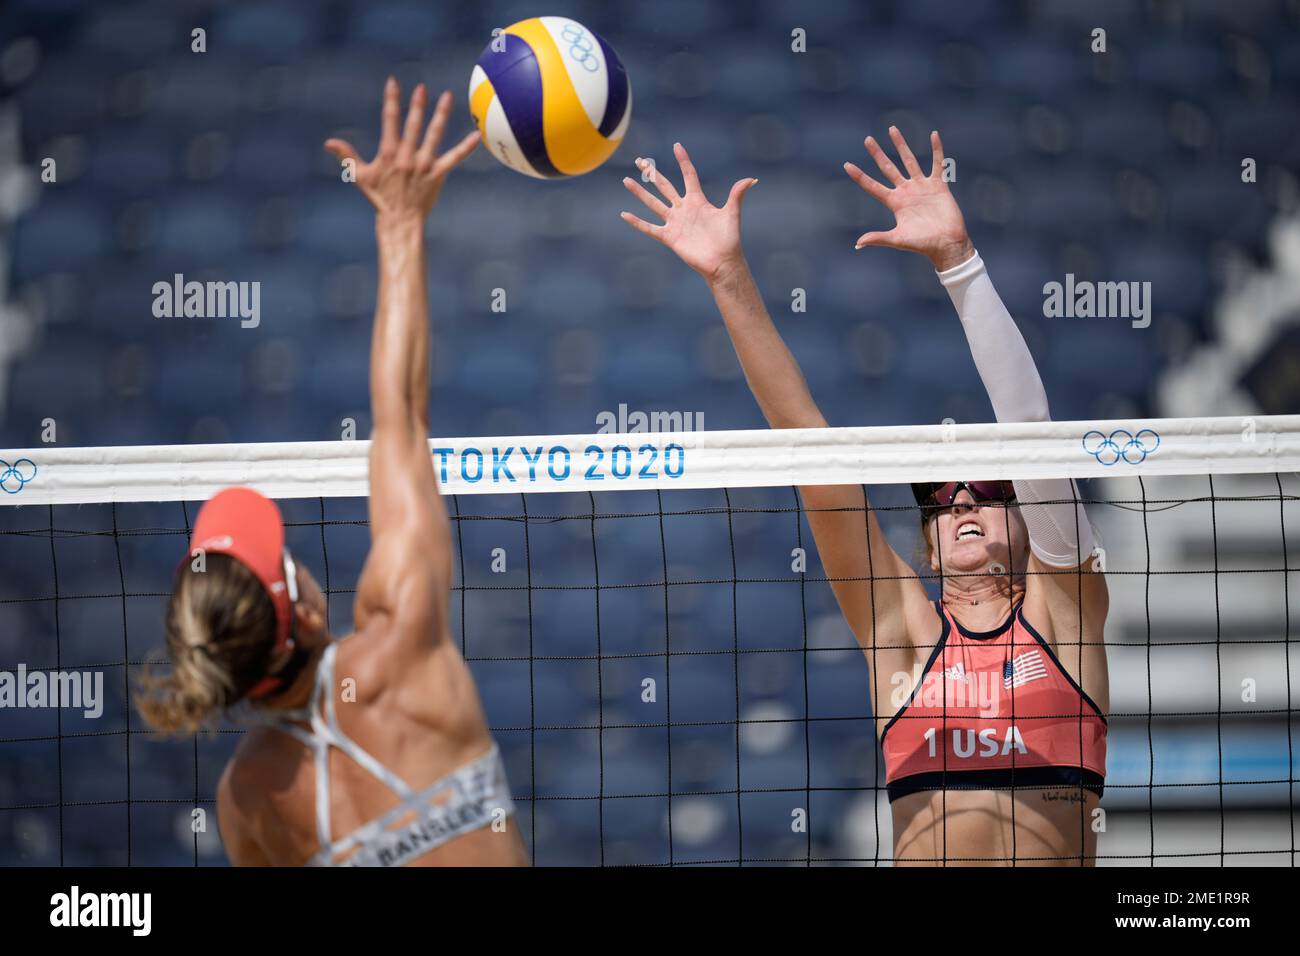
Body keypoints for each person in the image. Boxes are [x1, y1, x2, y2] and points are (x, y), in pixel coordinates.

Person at [619, 129, 1108, 865]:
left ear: (1026, 516)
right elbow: (809, 446)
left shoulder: (1064, 612)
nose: (964, 501)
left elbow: (1029, 431)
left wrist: (959, 264)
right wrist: (728, 276)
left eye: (988, 491)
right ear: (927, 543)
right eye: (942, 498)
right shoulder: (903, 628)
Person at [137, 79, 528, 867]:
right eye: (285, 561)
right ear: (306, 615)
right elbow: (401, 415)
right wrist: (400, 225)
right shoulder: (401, 646)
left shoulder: (247, 798)